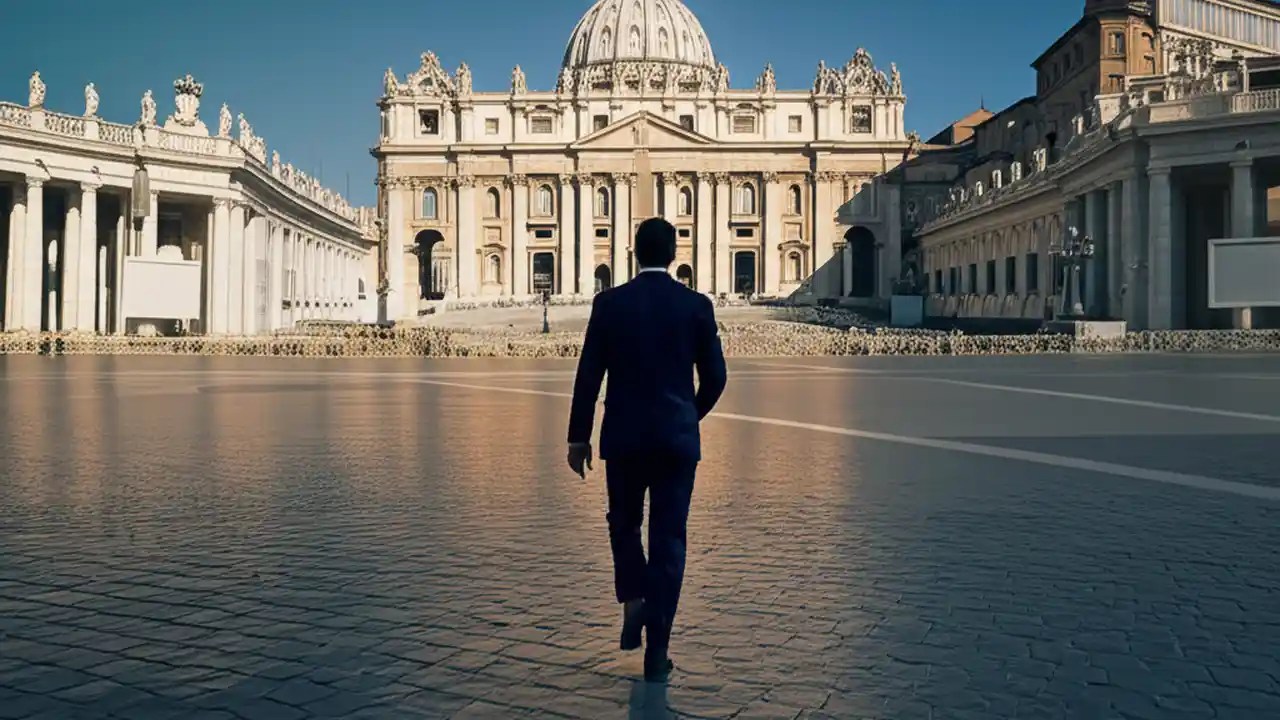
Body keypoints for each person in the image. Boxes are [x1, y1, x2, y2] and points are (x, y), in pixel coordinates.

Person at [566, 217, 727, 682]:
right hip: (676, 440)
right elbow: (716, 378)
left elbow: (588, 376)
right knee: (669, 541)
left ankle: (633, 597)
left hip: (624, 437)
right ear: (673, 254)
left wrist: (579, 436)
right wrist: (688, 416)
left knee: (623, 523)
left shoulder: (609, 303)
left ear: (634, 253)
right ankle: (657, 650)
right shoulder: (695, 304)